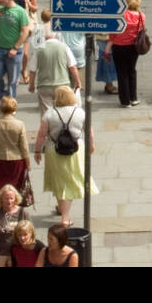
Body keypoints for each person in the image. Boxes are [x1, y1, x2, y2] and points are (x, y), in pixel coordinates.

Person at [34, 86, 96, 226]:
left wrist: (38, 151)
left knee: (58, 180)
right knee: (69, 182)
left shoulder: (49, 113)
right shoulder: (80, 112)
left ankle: (62, 208)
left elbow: (41, 135)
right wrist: (92, 145)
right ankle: (65, 216)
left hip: (53, 150)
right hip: (75, 150)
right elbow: (89, 131)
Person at [0, 96, 31, 211]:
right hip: (16, 159)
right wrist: (28, 162)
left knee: (0, 186)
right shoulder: (19, 124)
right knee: (15, 187)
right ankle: (14, 209)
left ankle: (0, 209)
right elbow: (24, 147)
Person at [0, 0, 32, 99]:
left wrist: (15, 47)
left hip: (14, 51)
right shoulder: (0, 9)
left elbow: (25, 32)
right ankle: (0, 99)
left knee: (12, 80)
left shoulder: (20, 12)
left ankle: (11, 103)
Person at [109, 0, 146, 106]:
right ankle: (133, 98)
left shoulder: (120, 15)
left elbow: (113, 34)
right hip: (133, 48)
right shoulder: (141, 15)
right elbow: (143, 29)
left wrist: (107, 47)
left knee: (122, 73)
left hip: (118, 47)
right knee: (131, 71)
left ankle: (125, 101)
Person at [0, 184, 31, 267]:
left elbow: (31, 233)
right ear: (1, 199)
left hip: (18, 252)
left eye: (11, 198)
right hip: (0, 252)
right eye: (6, 198)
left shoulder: (23, 213)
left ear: (15, 198)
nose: (9, 201)